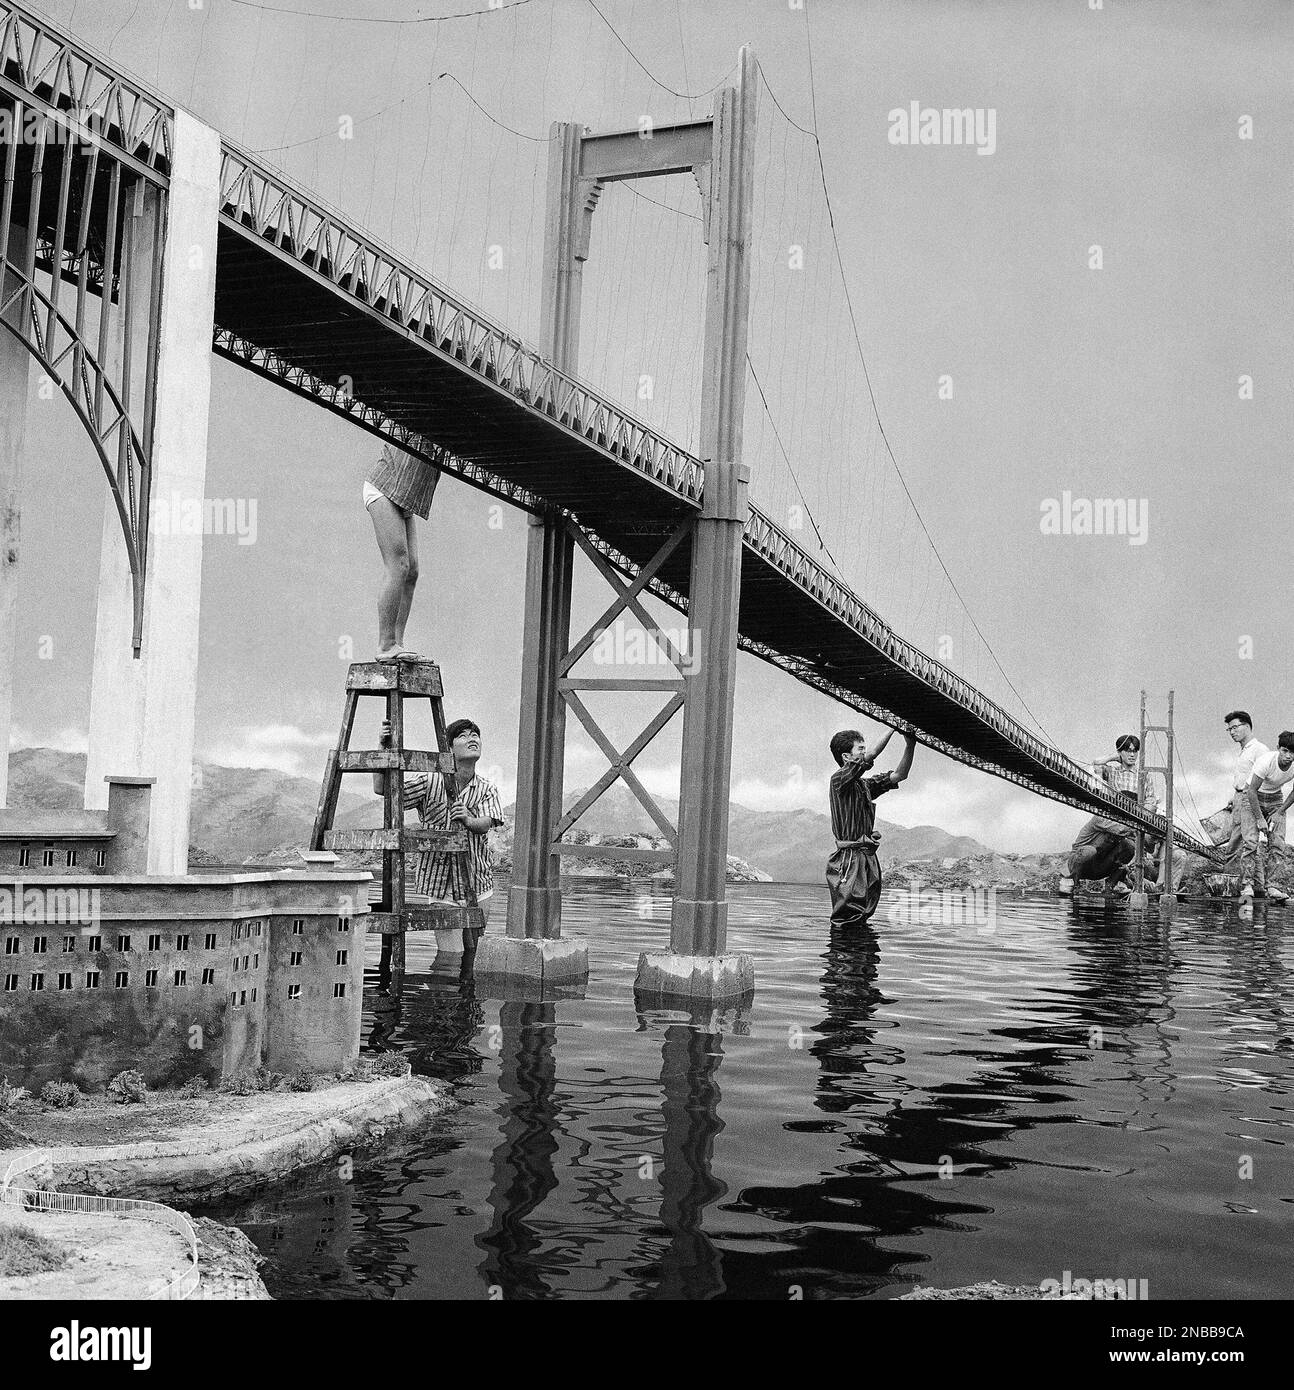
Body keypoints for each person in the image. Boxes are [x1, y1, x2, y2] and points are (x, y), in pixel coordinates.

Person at [372, 717, 504, 937]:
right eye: (462, 736)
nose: (471, 739)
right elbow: (383, 789)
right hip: (440, 885)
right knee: (450, 953)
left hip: (479, 882)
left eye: (475, 735)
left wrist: (468, 820)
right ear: (448, 748)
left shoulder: (487, 788)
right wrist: (382, 748)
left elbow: (486, 823)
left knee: (474, 949)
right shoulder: (429, 781)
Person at [826, 725, 916, 926]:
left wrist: (910, 745)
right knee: (848, 913)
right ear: (846, 757)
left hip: (866, 854)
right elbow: (872, 755)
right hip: (849, 857)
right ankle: (844, 945)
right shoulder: (838, 780)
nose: (864, 753)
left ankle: (860, 945)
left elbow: (899, 775)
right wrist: (894, 728)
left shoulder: (864, 785)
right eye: (860, 749)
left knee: (865, 910)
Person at [365, 440, 441, 661]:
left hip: (403, 497)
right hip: (384, 488)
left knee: (412, 571)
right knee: (398, 565)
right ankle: (386, 645)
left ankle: (397, 644)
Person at [1242, 731, 1294, 903]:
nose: (1289, 756)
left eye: (1293, 752)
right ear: (1278, 748)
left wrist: (1280, 812)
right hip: (1252, 797)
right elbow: (1251, 791)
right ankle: (1247, 884)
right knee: (1251, 842)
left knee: (1278, 843)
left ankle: (1272, 886)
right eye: (1285, 751)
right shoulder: (1266, 761)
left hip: (1275, 799)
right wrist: (1259, 819)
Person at [1224, 710, 1271, 898]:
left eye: (1235, 727)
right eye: (1229, 729)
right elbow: (1243, 778)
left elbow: (1264, 779)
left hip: (1251, 798)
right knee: (1247, 843)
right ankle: (1258, 887)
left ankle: (1232, 887)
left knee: (1240, 844)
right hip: (1239, 797)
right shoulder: (1244, 750)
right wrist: (1234, 796)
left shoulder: (1260, 749)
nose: (1232, 732)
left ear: (1247, 726)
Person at [1063, 791, 1138, 896]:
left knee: (1129, 846)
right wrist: (1137, 825)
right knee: (1089, 851)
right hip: (1081, 864)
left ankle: (1112, 886)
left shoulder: (1125, 822)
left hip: (1100, 866)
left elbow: (1141, 843)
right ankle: (1071, 881)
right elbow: (1120, 829)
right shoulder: (1101, 816)